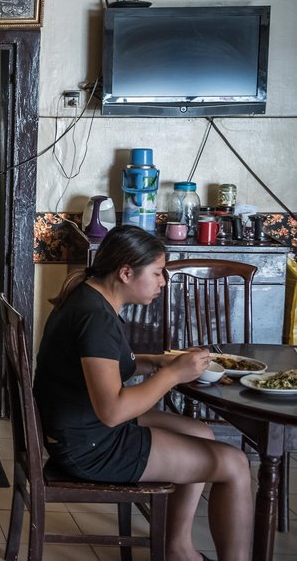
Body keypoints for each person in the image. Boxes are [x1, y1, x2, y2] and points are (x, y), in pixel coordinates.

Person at [34, 225, 253, 561]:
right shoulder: (96, 319)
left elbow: (105, 367)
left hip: (77, 428)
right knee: (236, 464)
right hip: (91, 445)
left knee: (200, 432)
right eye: (156, 273)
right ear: (125, 273)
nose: (163, 282)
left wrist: (154, 361)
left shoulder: (88, 297)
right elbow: (113, 411)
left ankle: (176, 547)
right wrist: (173, 374)